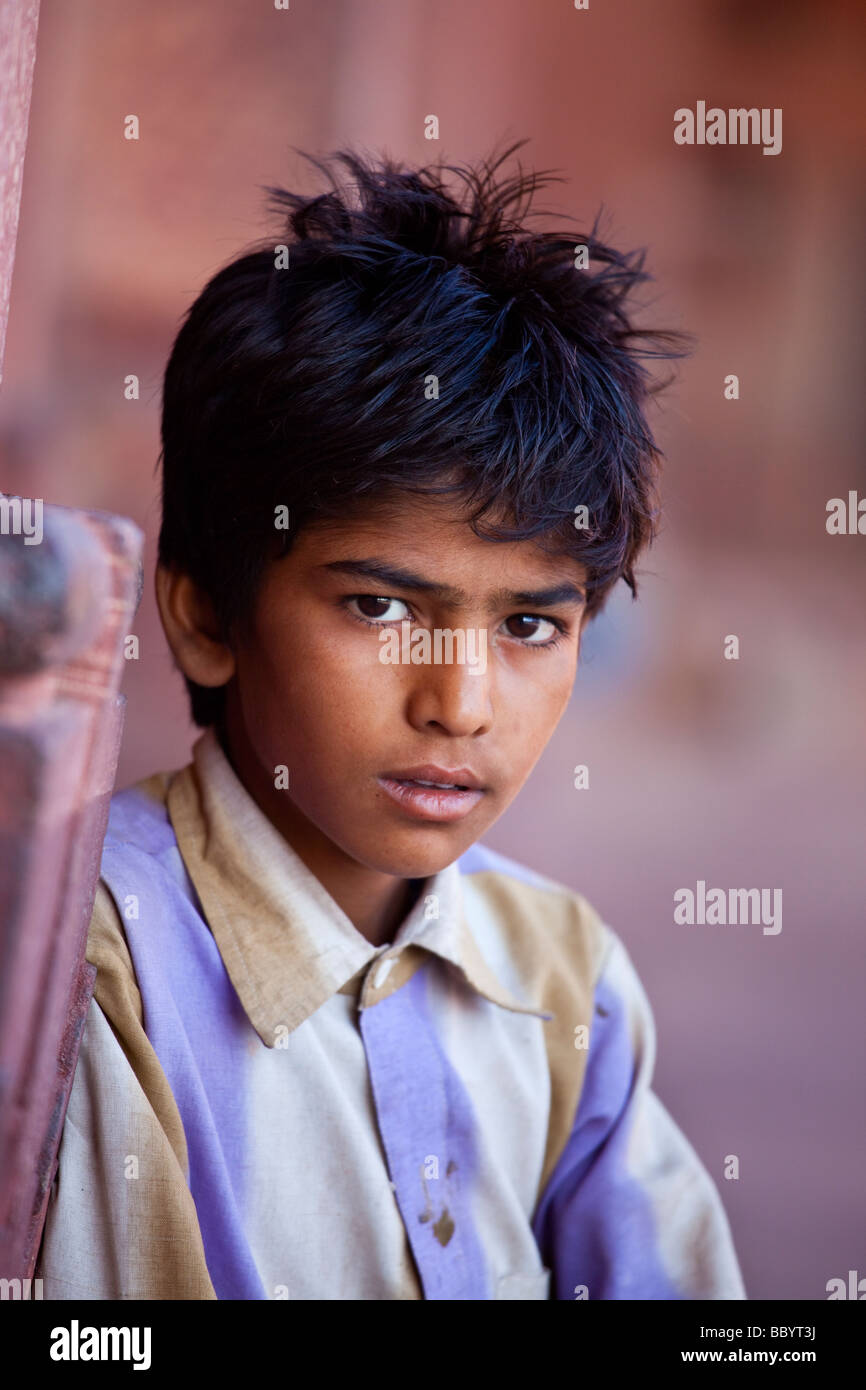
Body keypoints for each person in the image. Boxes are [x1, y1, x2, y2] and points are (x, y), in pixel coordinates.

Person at [37, 143, 745, 1300]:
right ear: (208, 613)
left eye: (528, 626)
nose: (459, 703)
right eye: (377, 605)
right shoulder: (96, 972)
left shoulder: (563, 976)